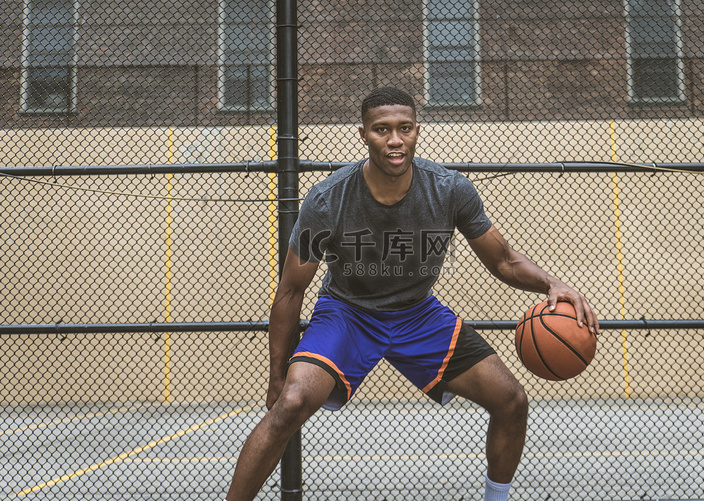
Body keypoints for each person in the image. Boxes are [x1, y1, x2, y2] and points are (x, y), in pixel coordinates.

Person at [224, 87, 600, 501]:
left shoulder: (449, 189)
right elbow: (291, 291)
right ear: (364, 134)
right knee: (291, 404)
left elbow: (504, 261)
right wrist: (277, 375)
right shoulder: (328, 199)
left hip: (419, 315)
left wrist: (553, 284)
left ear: (417, 131)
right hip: (347, 313)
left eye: (404, 128)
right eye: (382, 130)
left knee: (511, 400)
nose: (395, 140)